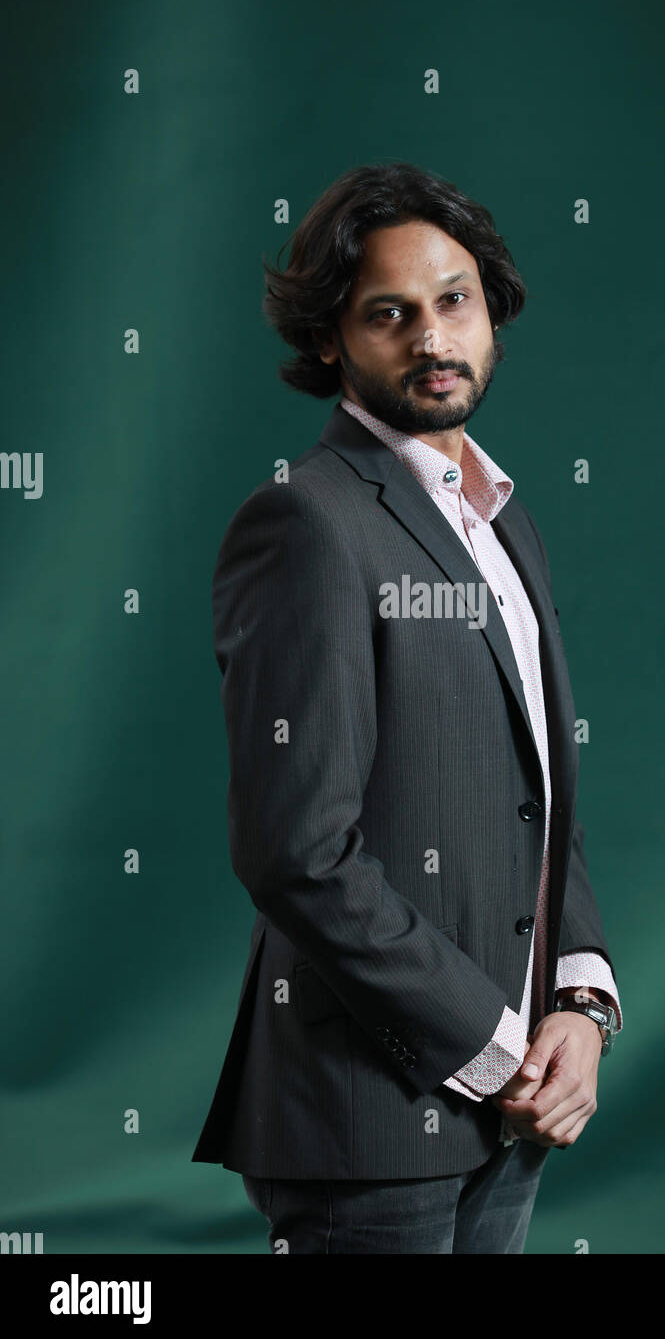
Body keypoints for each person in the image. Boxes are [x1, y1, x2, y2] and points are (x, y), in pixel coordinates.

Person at [191, 161, 623, 1254]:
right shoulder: (304, 524)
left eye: (453, 300)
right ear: (331, 337)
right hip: (367, 1117)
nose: (431, 338)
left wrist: (578, 1002)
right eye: (388, 313)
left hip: (513, 1101)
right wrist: (491, 1042)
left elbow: (537, 797)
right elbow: (297, 852)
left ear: (490, 312)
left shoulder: (501, 516)